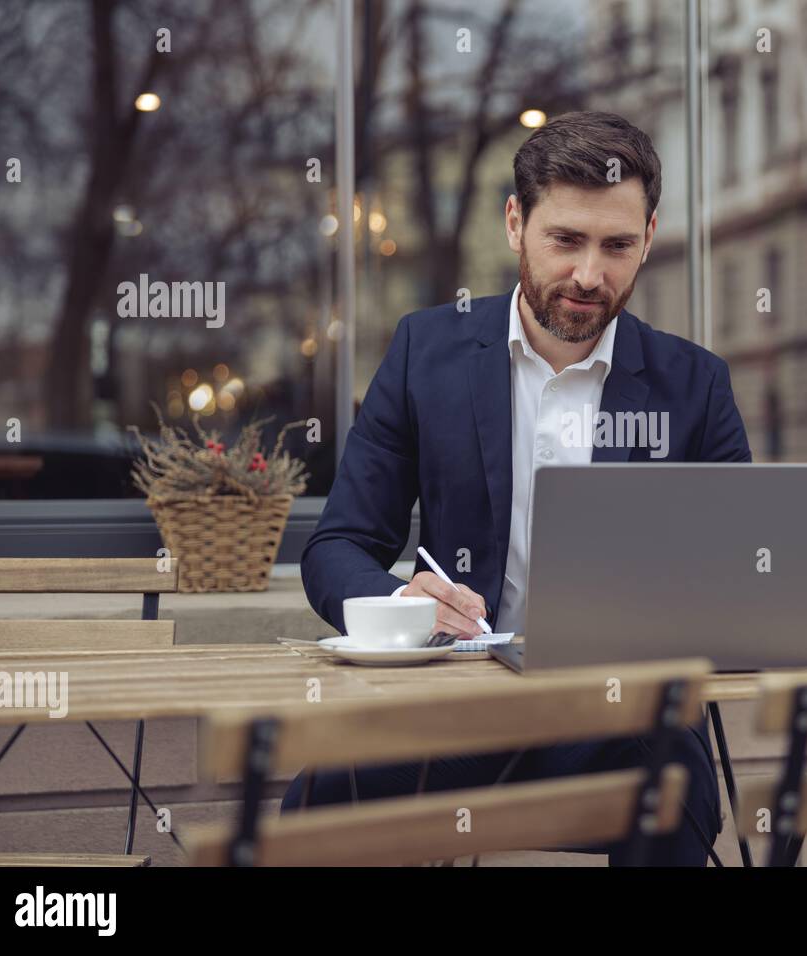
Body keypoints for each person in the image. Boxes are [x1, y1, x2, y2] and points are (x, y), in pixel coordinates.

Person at [284, 110, 751, 866]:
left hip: (622, 721)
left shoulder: (693, 384)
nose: (589, 276)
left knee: (676, 780)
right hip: (452, 711)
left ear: (650, 238)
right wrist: (399, 603)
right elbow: (337, 546)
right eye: (565, 240)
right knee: (316, 801)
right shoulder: (423, 354)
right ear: (515, 223)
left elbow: (745, 573)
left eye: (617, 246)